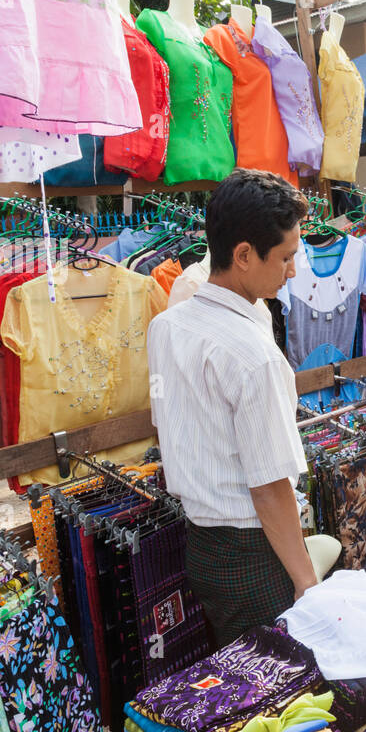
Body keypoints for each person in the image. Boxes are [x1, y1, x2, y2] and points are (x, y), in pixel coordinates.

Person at [147, 169, 318, 648]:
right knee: (277, 696)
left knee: (241, 678)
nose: (293, 270)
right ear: (244, 255)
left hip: (202, 542)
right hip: (254, 550)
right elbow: (269, 488)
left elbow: (167, 425)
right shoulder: (252, 356)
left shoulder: (167, 326)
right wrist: (307, 583)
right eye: (285, 257)